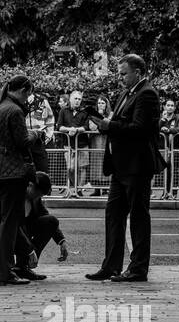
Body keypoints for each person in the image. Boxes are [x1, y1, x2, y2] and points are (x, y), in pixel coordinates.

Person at [88, 54, 162, 284]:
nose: (120, 78)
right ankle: (111, 265)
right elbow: (120, 123)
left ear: (137, 72)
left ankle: (138, 268)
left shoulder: (147, 93)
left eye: (124, 73)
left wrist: (111, 125)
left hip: (137, 164)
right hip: (121, 164)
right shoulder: (127, 93)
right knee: (113, 215)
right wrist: (104, 124)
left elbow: (140, 129)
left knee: (139, 217)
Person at [0, 73, 37, 285]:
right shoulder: (14, 110)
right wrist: (36, 134)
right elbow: (22, 141)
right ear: (23, 91)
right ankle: (5, 272)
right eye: (27, 95)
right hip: (12, 170)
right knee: (9, 224)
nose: (27, 99)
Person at [56, 89, 90, 196]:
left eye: (79, 99)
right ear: (70, 99)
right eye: (75, 98)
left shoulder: (85, 112)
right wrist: (69, 129)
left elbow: (86, 127)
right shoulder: (63, 111)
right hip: (68, 144)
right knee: (70, 168)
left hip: (82, 144)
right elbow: (59, 127)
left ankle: (79, 190)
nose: (77, 101)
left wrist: (76, 130)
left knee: (82, 167)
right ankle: (73, 187)